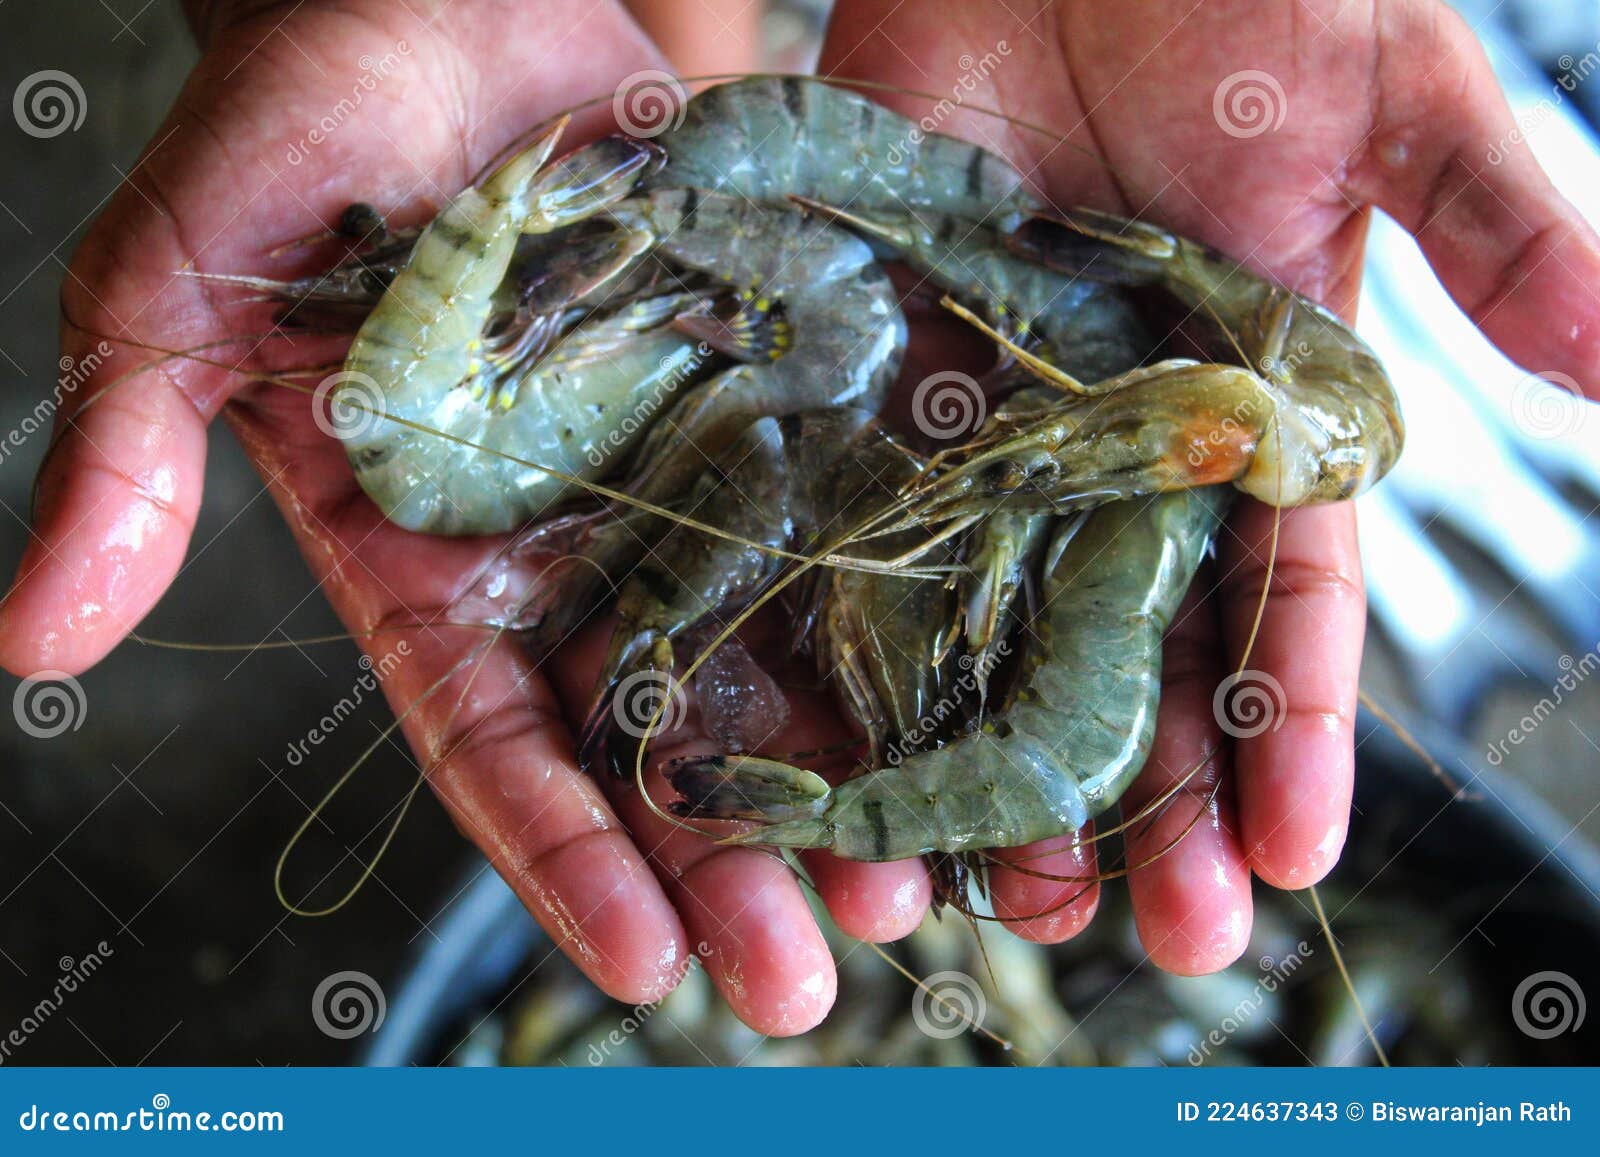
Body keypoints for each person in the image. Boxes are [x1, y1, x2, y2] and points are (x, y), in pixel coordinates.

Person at [3, 0, 1596, 1037]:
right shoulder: (878, 346)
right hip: (799, 255)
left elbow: (1021, 667)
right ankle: (698, 60)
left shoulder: (1011, 426)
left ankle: (699, 54)